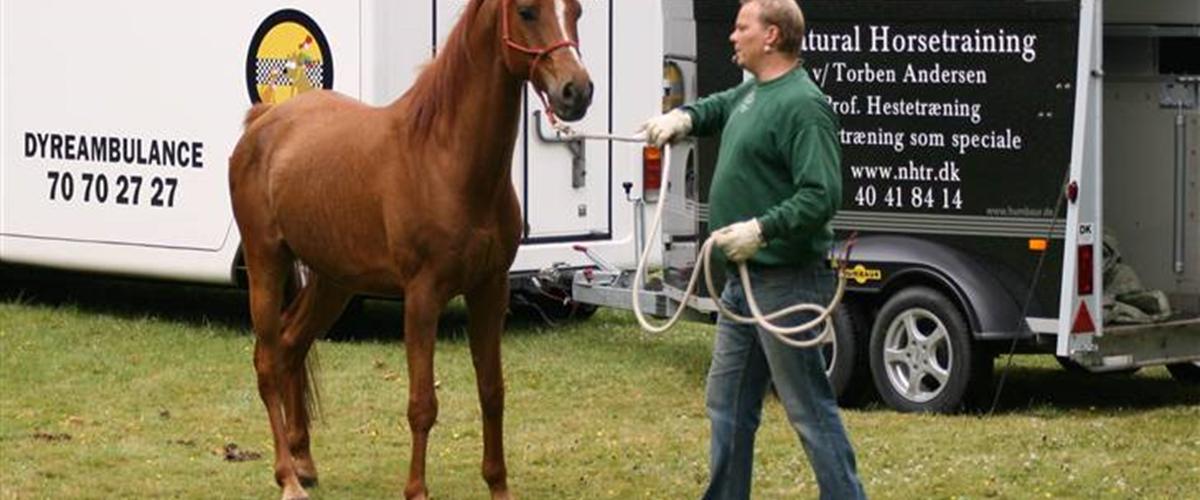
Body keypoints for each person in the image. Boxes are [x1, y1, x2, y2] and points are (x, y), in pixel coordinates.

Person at [639, 1, 866, 498]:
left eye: (742, 27)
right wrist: (685, 117)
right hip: (742, 287)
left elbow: (822, 194)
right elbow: (720, 105)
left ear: (772, 36)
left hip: (785, 282)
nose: (732, 36)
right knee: (728, 404)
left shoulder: (803, 106)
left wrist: (761, 230)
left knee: (808, 409)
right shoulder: (754, 90)